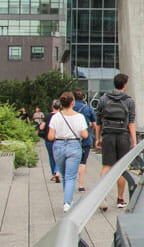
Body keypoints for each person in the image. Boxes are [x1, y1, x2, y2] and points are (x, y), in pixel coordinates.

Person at [95, 73, 136, 209]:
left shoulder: (103, 99)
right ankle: (120, 199)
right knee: (121, 167)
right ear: (125, 85)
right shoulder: (129, 101)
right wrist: (134, 141)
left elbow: (98, 121)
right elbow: (131, 122)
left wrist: (98, 138)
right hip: (123, 135)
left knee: (106, 166)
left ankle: (101, 197)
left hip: (108, 135)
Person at [48, 92, 88, 212]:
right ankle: (67, 203)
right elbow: (85, 134)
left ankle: (68, 200)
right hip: (74, 145)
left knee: (65, 175)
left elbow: (50, 136)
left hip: (58, 146)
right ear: (72, 102)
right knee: (71, 176)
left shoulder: (55, 117)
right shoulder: (79, 117)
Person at [73, 88, 97, 193]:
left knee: (72, 161)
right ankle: (81, 185)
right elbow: (95, 125)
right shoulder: (88, 109)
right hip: (85, 139)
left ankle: (69, 182)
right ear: (83, 98)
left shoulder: (69, 109)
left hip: (72, 139)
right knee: (83, 162)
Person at [39, 100, 62, 183]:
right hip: (59, 139)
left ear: (52, 106)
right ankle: (57, 171)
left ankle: (54, 174)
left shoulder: (47, 116)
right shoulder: (62, 116)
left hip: (49, 139)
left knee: (51, 157)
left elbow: (41, 127)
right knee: (59, 157)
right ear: (60, 107)